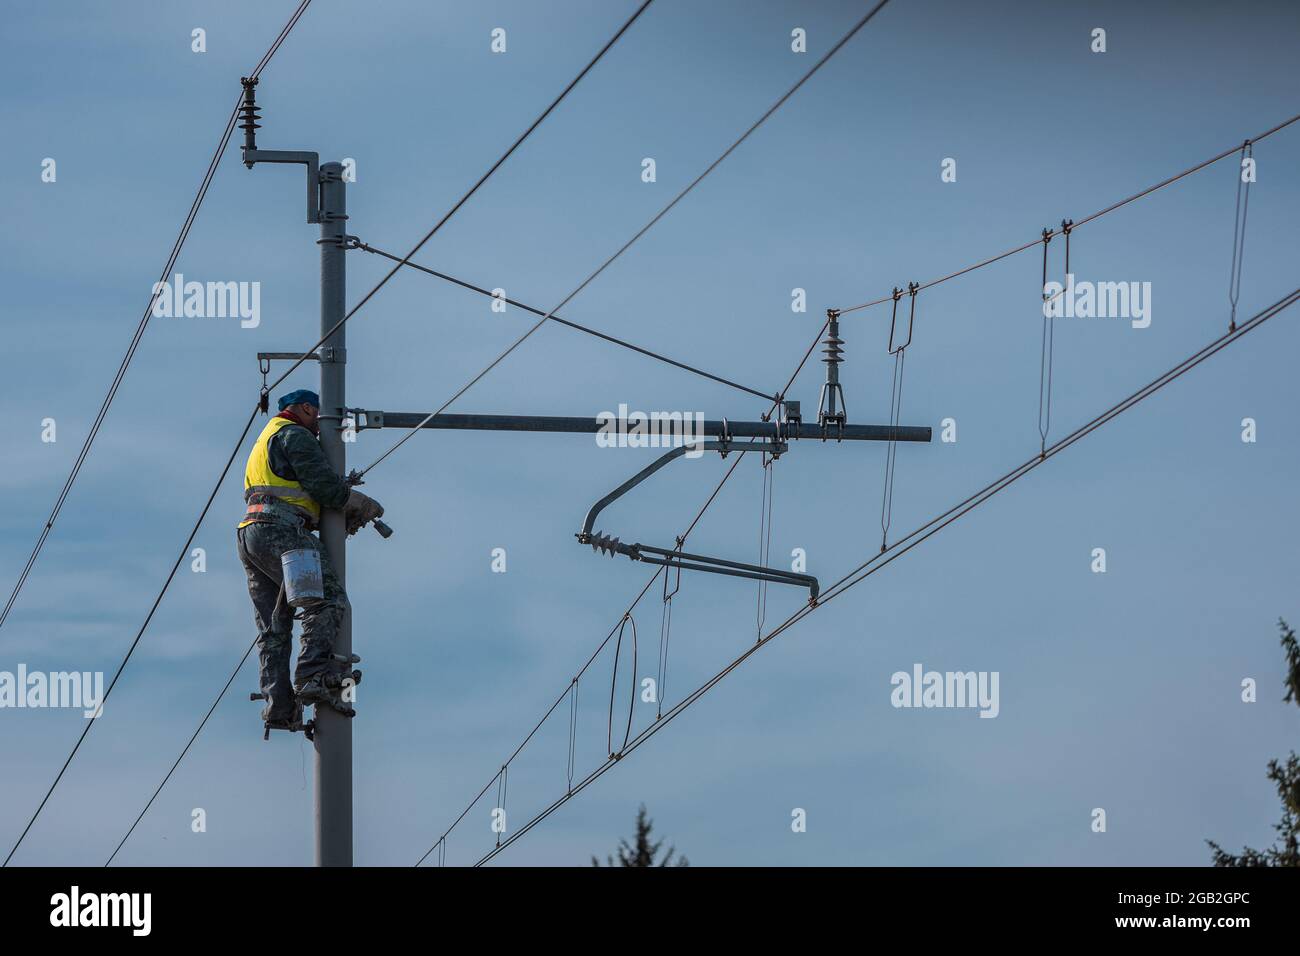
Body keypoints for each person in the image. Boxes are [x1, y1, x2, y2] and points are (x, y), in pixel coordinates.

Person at [236, 388, 383, 730]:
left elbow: (292, 488)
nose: (320, 426)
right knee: (327, 600)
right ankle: (312, 675)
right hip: (283, 532)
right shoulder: (296, 435)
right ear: (305, 408)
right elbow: (324, 488)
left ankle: (279, 705)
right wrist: (355, 502)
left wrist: (327, 517)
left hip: (251, 533)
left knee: (273, 627)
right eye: (316, 415)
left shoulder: (266, 438)